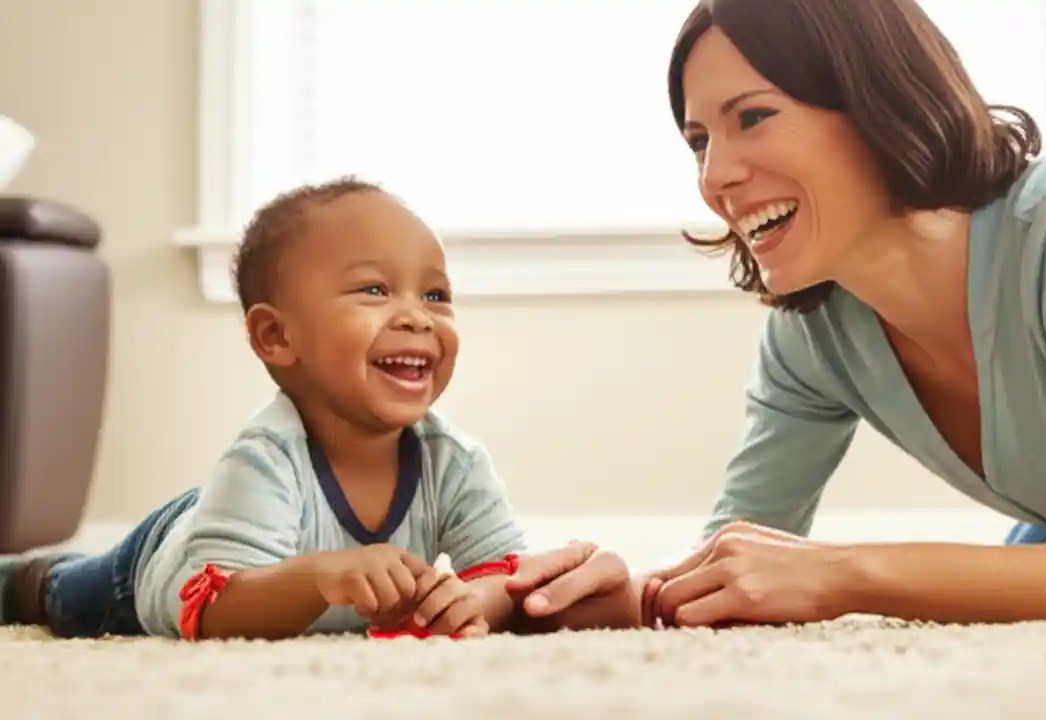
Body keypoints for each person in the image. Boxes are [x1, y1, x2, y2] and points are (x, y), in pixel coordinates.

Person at [507, 0, 1046, 628]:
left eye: (754, 117)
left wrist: (846, 574)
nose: (716, 176)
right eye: (699, 140)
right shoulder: (814, 336)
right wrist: (621, 597)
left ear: (876, 99)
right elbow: (738, 563)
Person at [0, 178, 638, 639]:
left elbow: (505, 573)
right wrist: (319, 578)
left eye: (435, 294)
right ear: (276, 336)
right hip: (157, 562)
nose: (417, 317)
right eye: (375, 289)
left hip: (236, 520)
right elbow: (212, 606)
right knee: (59, 596)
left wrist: (481, 601)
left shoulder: (454, 460)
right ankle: (23, 577)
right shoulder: (266, 456)